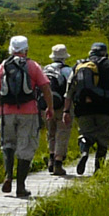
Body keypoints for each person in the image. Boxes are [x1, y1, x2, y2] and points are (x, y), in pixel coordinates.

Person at [0, 35, 52, 199]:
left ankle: (8, 175)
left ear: (11, 49)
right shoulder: (32, 66)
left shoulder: (3, 66)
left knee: (8, 144)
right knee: (26, 147)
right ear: (26, 49)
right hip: (29, 112)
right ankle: (21, 186)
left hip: (6, 112)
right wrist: (50, 108)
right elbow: (45, 87)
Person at [69, 41, 109, 172]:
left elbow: (69, 90)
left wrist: (66, 111)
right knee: (103, 139)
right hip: (105, 109)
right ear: (105, 53)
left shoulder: (79, 66)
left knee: (85, 134)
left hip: (83, 109)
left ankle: (84, 152)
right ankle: (98, 169)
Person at [42, 44, 75, 176]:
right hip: (62, 106)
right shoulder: (68, 71)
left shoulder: (45, 69)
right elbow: (71, 90)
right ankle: (58, 162)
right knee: (62, 132)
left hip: (46, 105)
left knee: (51, 132)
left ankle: (50, 157)